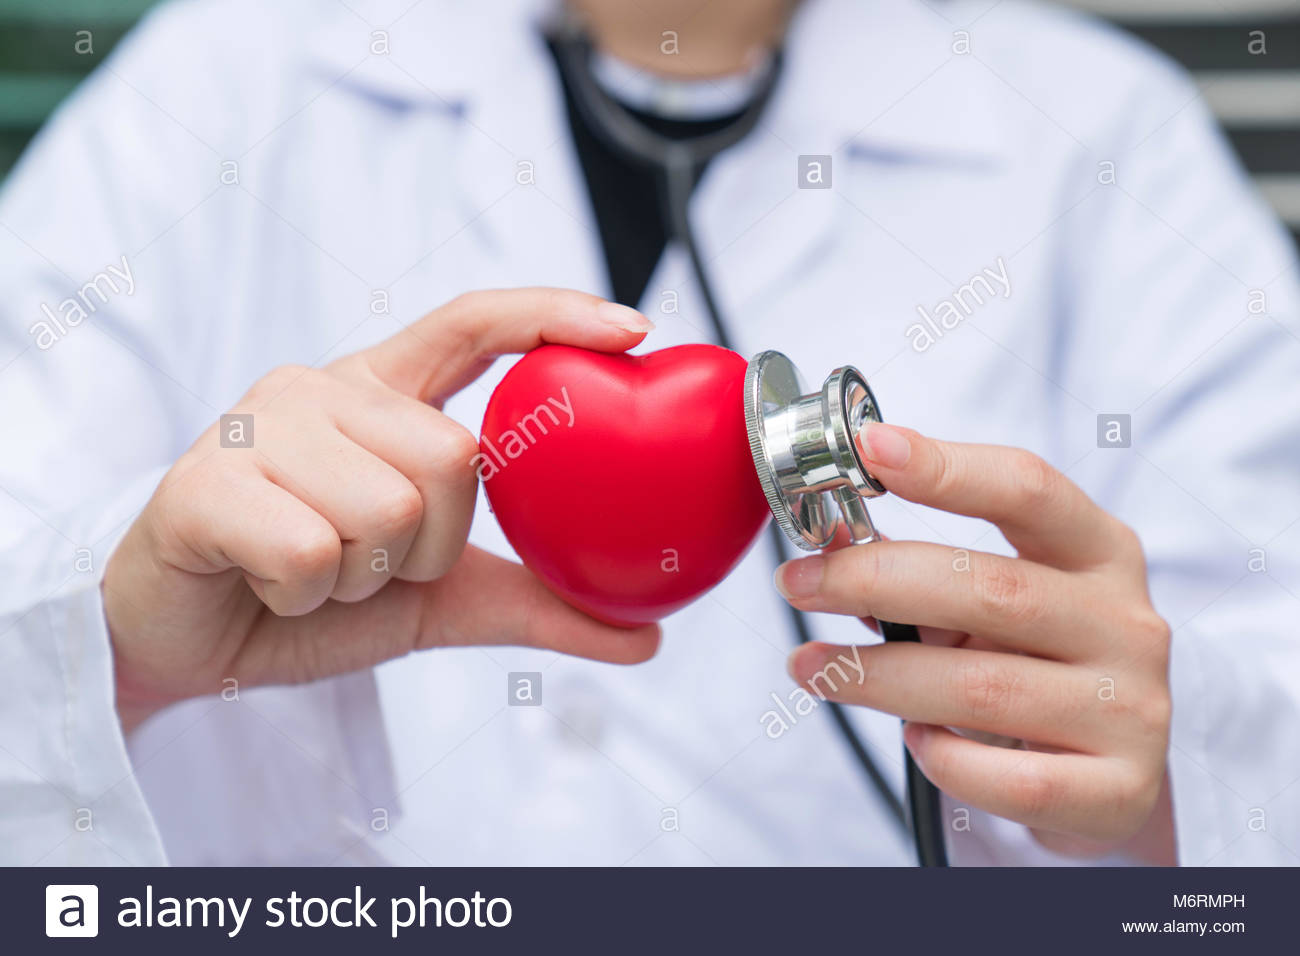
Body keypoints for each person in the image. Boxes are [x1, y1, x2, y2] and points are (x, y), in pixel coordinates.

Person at [1, 0, 1296, 867]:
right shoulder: (228, 75)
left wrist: (1177, 774)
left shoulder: (1102, 141)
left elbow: (1266, 677)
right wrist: (106, 640)